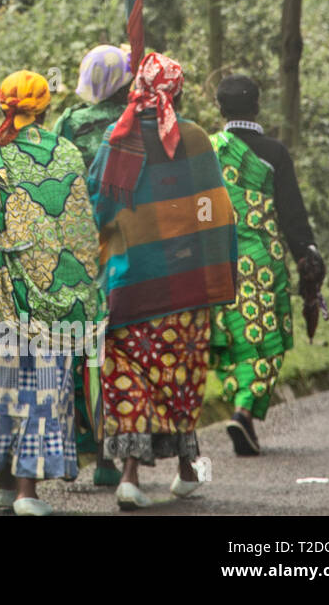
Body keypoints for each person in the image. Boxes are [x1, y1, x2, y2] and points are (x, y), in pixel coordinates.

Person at [0, 70, 101, 516]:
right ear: (46, 110)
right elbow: (80, 232)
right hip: (55, 301)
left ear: (2, 106)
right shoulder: (68, 155)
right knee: (44, 386)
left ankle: (7, 490)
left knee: (0, 387)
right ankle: (27, 492)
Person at [88, 52, 238, 510]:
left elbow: (95, 210)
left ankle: (130, 477)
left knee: (127, 375)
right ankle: (186, 471)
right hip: (186, 288)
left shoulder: (117, 142)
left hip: (129, 286)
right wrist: (219, 275)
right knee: (180, 375)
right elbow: (217, 212)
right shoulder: (194, 139)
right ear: (175, 91)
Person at [209, 74, 324, 456]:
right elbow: (292, 215)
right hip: (263, 259)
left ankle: (239, 404)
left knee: (231, 333)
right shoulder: (274, 153)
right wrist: (307, 255)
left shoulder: (209, 151)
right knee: (267, 335)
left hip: (218, 258)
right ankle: (244, 409)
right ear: (257, 107)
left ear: (220, 109)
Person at [54, 44, 134, 486]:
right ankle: (108, 456)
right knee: (115, 348)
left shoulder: (67, 122)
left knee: (77, 346)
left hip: (76, 246)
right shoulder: (136, 121)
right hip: (125, 244)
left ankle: (74, 448)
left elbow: (61, 179)